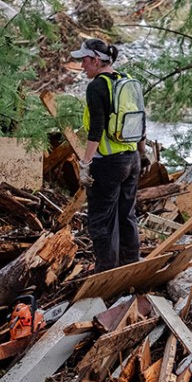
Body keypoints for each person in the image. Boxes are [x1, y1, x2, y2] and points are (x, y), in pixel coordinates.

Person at [71, 37, 143, 271]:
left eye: (84, 60)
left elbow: (97, 128)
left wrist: (86, 163)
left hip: (109, 163)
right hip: (131, 160)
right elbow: (138, 120)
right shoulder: (127, 81)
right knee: (126, 215)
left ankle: (107, 273)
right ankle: (130, 267)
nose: (82, 66)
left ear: (95, 60)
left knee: (102, 220)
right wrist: (142, 152)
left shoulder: (97, 86)